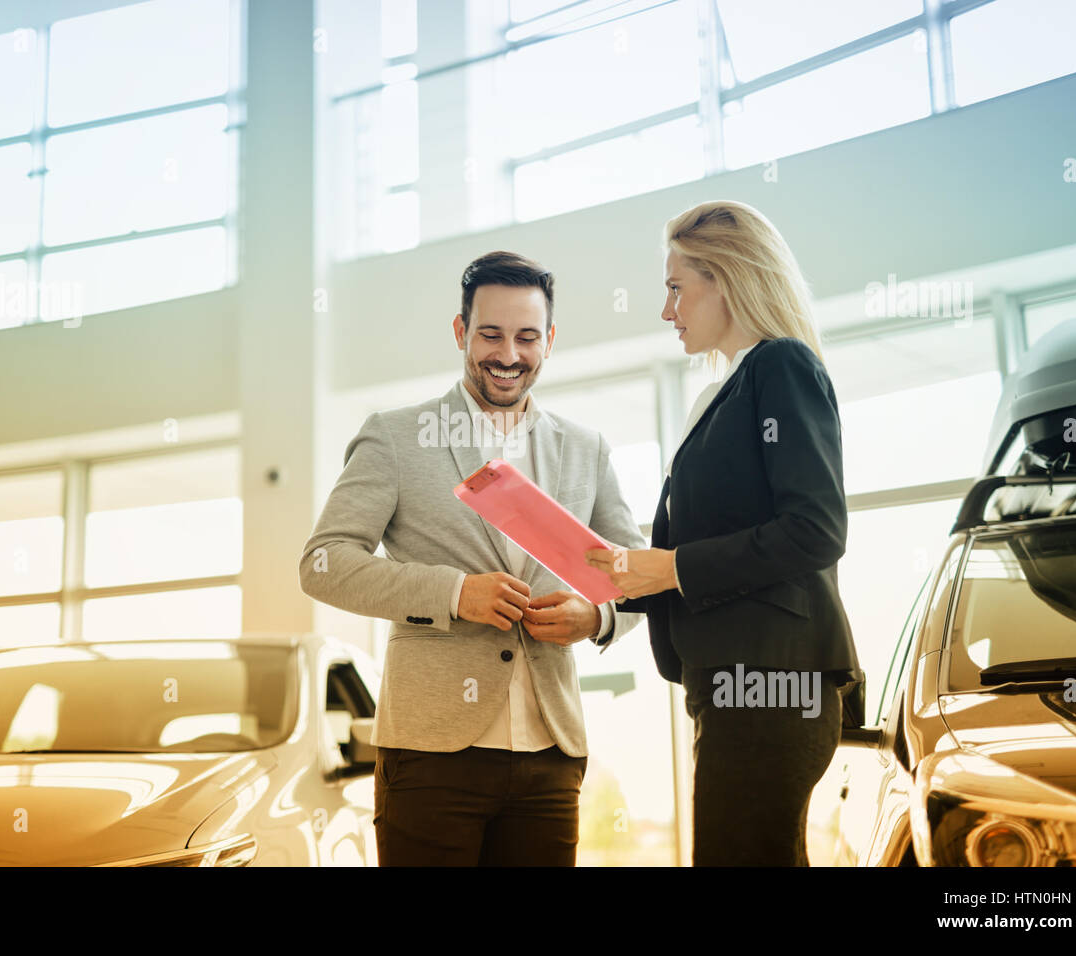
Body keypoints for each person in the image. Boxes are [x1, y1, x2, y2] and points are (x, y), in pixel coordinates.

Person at [299, 250, 647, 866]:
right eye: (490, 334)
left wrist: (594, 619)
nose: (508, 355)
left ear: (550, 340)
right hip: (431, 756)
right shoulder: (396, 437)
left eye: (526, 337)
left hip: (549, 755)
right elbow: (324, 562)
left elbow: (633, 575)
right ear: (461, 331)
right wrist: (455, 593)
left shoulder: (585, 450)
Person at [586, 200, 864, 866]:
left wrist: (672, 566)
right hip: (737, 685)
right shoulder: (725, 394)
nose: (666, 310)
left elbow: (815, 529)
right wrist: (605, 596)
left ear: (728, 279)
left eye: (676, 288)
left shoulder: (781, 367)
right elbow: (706, 557)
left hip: (772, 683)